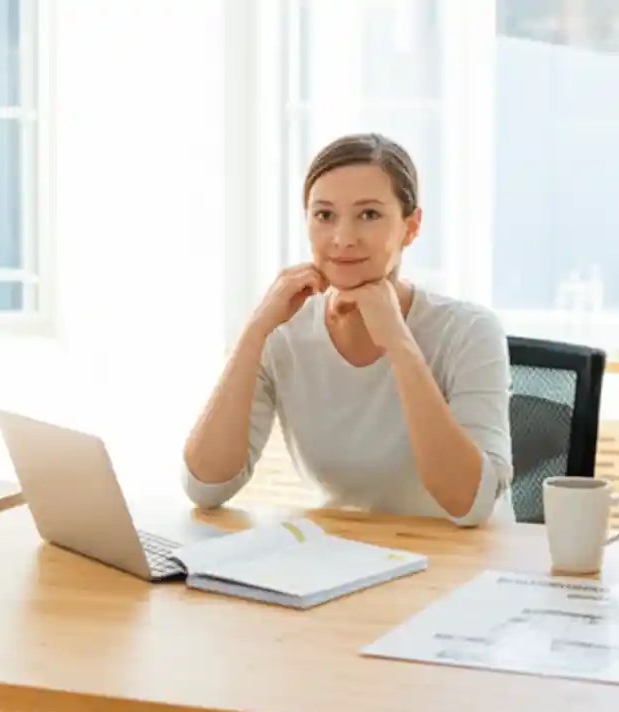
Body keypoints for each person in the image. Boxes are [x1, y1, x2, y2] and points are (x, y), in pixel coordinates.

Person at [181, 132, 512, 527]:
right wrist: (255, 331)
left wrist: (399, 343)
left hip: (459, 557)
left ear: (411, 227)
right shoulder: (285, 330)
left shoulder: (471, 331)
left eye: (369, 214)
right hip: (342, 554)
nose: (343, 239)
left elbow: (470, 505)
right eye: (324, 215)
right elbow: (205, 487)